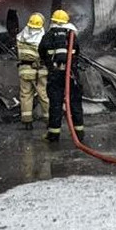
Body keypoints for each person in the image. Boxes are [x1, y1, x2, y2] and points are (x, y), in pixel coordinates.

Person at [39, 8, 84, 143]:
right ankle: (79, 133)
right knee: (75, 102)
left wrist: (49, 64)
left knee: (55, 103)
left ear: (53, 21)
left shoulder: (48, 36)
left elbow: (41, 51)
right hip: (71, 74)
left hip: (56, 74)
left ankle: (53, 134)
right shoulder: (71, 35)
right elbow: (77, 53)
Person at [15, 13, 49, 130]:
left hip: (24, 70)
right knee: (43, 95)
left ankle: (27, 121)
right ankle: (49, 120)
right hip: (40, 71)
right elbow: (45, 54)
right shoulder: (41, 38)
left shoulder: (21, 37)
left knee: (25, 95)